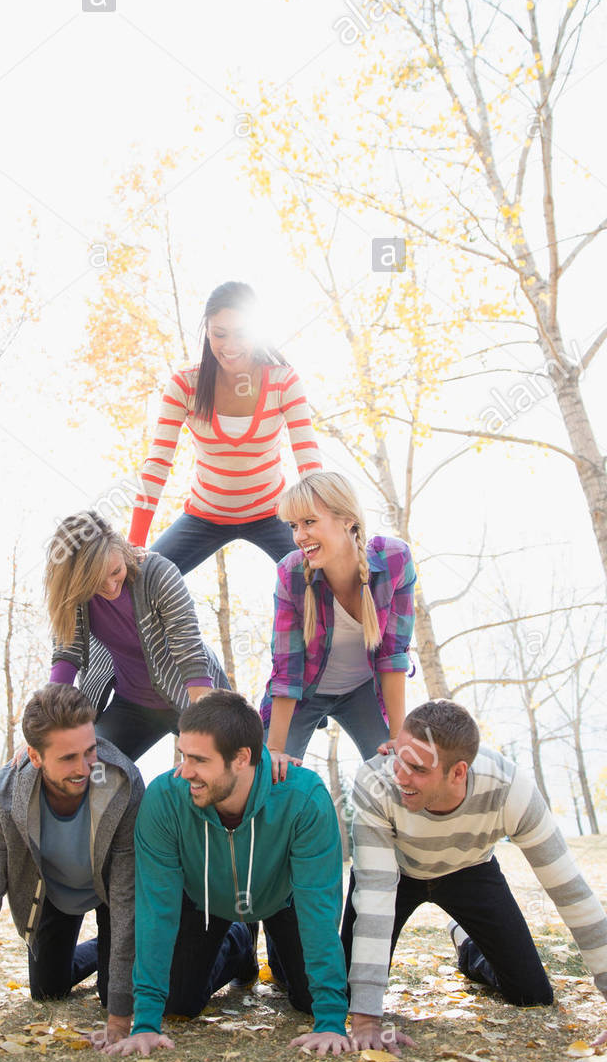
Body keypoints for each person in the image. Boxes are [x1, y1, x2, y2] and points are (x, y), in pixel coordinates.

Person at [344, 699, 607, 1055]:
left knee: (531, 994)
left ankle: (467, 943)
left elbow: (573, 895)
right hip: (396, 874)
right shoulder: (375, 781)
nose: (399, 775)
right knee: (349, 996)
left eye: (416, 768)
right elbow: (375, 897)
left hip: (469, 870)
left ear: (458, 772)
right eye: (398, 757)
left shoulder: (511, 790)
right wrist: (367, 1020)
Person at [104, 690, 353, 1058]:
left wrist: (331, 1020)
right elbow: (156, 910)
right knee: (180, 1001)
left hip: (279, 899)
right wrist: (145, 1025)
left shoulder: (303, 798)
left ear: (241, 758)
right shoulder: (165, 799)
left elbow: (320, 908)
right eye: (184, 755)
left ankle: (273, 948)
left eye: (199, 760)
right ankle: (240, 946)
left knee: (304, 997)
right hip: (204, 901)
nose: (185, 771)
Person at [0, 685, 143, 1055]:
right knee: (47, 990)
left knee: (112, 994)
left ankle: (117, 956)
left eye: (90, 750)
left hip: (110, 892)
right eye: (68, 758)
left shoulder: (121, 783)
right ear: (34, 756)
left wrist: (118, 1022)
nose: (84, 768)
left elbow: (128, 898)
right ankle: (103, 950)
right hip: (52, 893)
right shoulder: (4, 798)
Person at [127, 281, 323, 575]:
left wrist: (320, 528)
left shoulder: (284, 382)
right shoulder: (185, 385)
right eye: (220, 334)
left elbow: (309, 463)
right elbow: (157, 464)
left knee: (320, 575)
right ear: (207, 330)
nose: (230, 346)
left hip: (274, 513)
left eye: (242, 334)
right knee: (141, 582)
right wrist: (134, 544)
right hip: (204, 516)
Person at [261, 471, 415, 783]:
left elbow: (393, 655)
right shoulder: (290, 574)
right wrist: (274, 749)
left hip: (364, 691)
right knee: (270, 776)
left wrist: (398, 736)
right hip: (303, 693)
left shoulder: (394, 559)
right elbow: (287, 668)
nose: (299, 536)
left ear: (347, 519)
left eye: (309, 522)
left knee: (397, 772)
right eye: (294, 526)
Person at [47, 511, 227, 761]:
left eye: (115, 571)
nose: (110, 587)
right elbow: (66, 660)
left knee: (218, 767)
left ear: (122, 551)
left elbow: (189, 652)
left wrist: (204, 727)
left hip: (192, 693)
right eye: (96, 583)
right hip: (131, 704)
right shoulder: (77, 599)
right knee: (90, 764)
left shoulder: (157, 572)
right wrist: (47, 732)